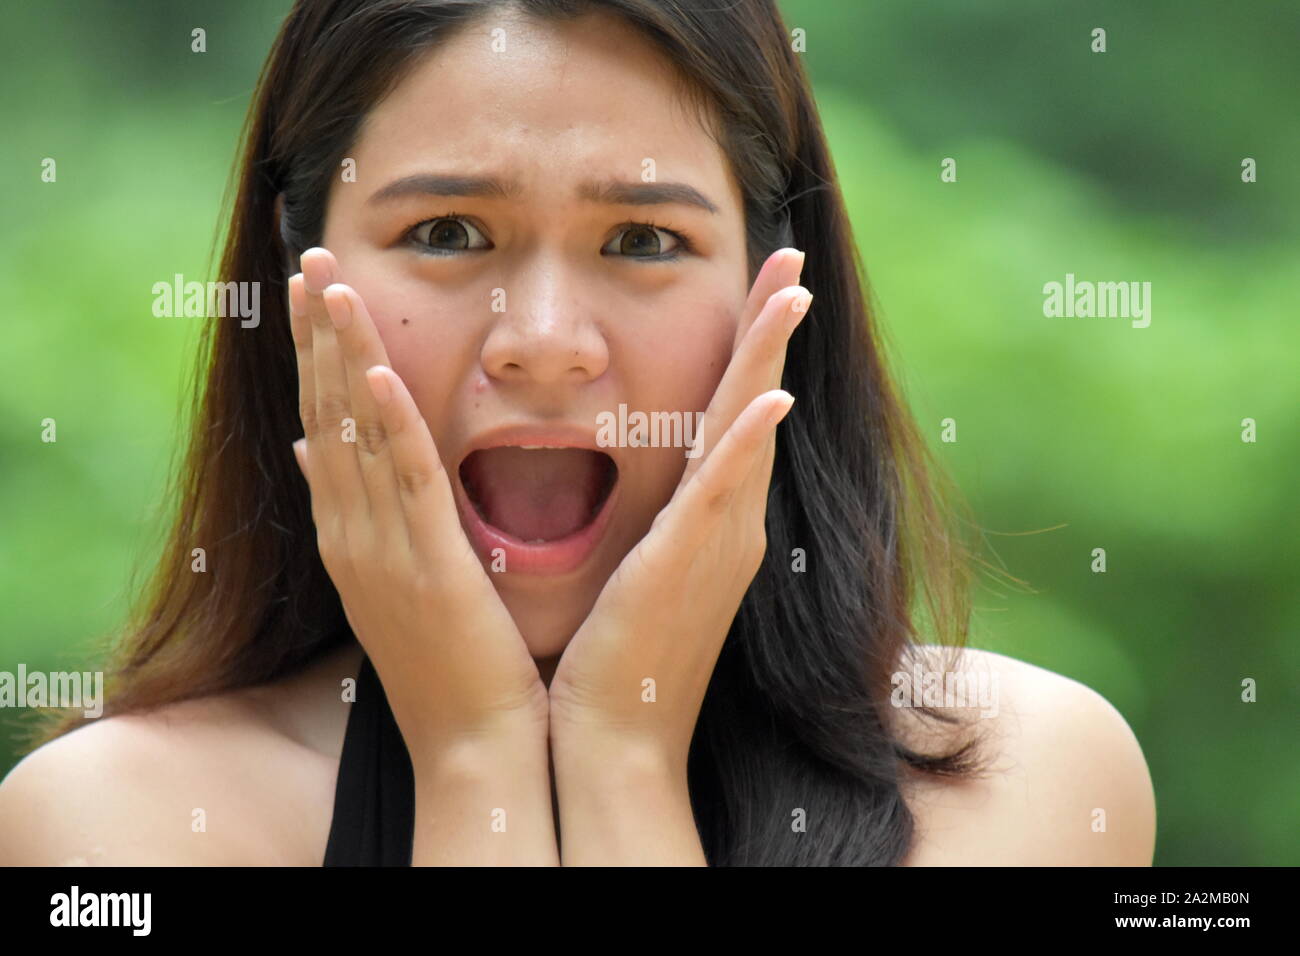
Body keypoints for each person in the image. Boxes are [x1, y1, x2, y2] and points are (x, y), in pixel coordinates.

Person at [0, 0, 1155, 866]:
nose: (544, 343)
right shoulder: (115, 828)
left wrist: (619, 752)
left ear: (774, 296)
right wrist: (475, 757)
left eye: (644, 239)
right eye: (448, 230)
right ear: (295, 283)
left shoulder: (1022, 782)